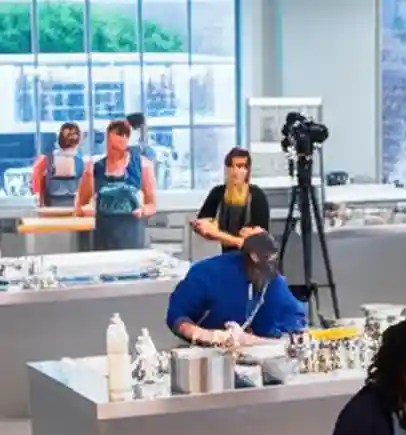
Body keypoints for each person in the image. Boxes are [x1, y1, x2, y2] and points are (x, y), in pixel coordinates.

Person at [165, 231, 306, 346]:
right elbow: (177, 316)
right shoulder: (209, 274)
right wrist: (208, 336)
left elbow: (294, 331)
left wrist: (249, 341)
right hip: (202, 353)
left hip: (258, 354)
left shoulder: (275, 282)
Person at [73, 119, 158, 250]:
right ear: (107, 140)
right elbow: (80, 206)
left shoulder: (143, 165)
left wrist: (143, 210)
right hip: (103, 236)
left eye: (125, 135)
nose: (122, 139)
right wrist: (86, 210)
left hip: (132, 235)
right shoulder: (95, 169)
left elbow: (152, 205)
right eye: (112, 146)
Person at [192, 148, 271, 253]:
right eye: (231, 166)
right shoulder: (217, 193)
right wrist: (238, 241)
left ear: (247, 171)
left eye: (240, 166)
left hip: (251, 258)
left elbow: (260, 239)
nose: (235, 171)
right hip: (226, 256)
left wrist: (216, 233)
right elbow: (200, 225)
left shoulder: (256, 195)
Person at [32, 122, 84, 209]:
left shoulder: (45, 160)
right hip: (70, 207)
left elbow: (37, 185)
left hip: (54, 207)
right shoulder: (82, 162)